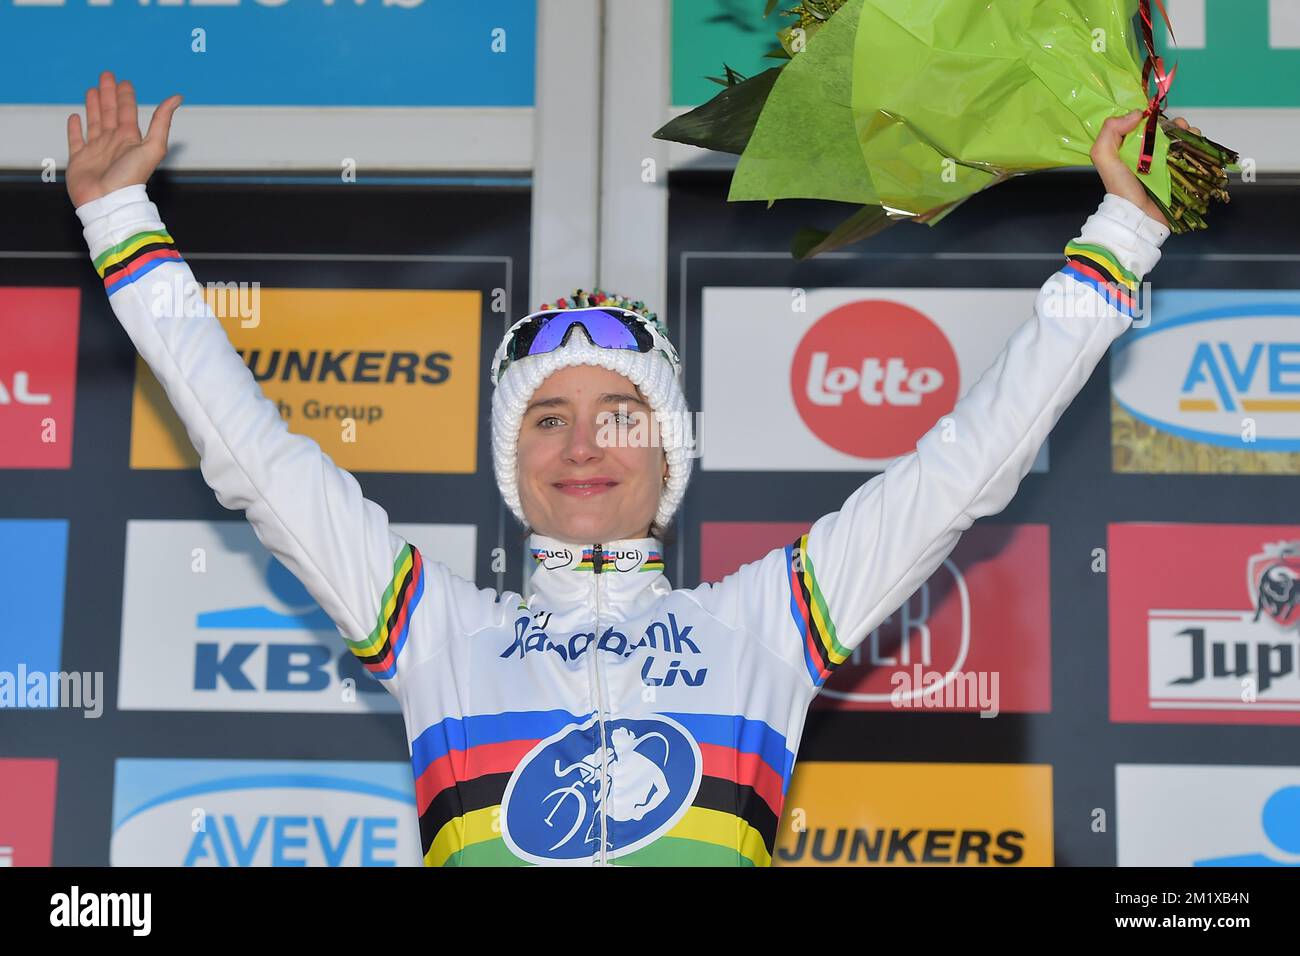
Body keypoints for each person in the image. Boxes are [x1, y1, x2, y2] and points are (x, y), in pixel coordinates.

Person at [67, 70, 1193, 867]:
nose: (584, 445)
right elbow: (255, 459)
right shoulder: (440, 636)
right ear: (514, 461)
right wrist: (119, 217)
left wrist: (1121, 242)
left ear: (670, 449)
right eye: (547, 419)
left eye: (619, 413)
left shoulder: (761, 625)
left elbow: (965, 470)